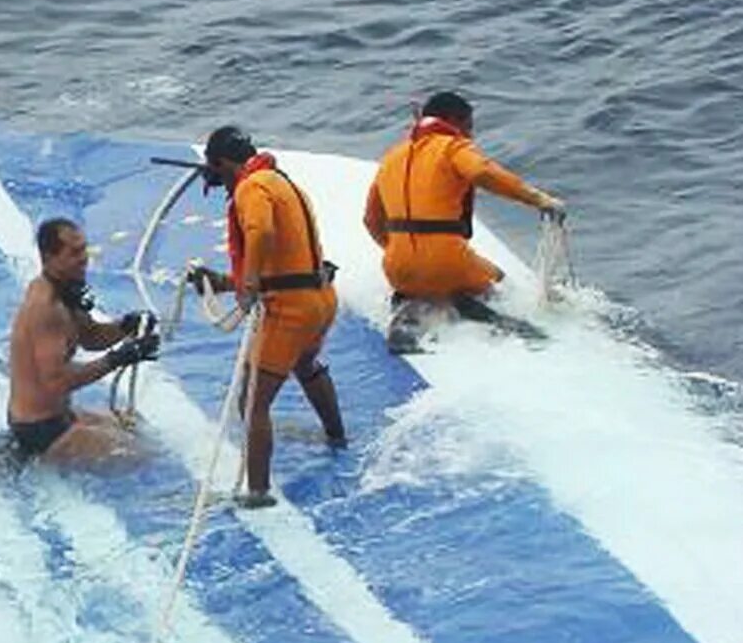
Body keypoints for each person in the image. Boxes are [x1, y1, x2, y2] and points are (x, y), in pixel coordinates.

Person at [203, 125, 348, 508]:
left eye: (218, 175)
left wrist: (248, 283)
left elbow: (262, 231)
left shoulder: (252, 188)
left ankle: (257, 492)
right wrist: (222, 281)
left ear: (225, 164)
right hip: (321, 299)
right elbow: (287, 258)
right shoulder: (283, 182)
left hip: (291, 310)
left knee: (252, 401)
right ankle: (337, 436)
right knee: (306, 364)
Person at [363, 90, 564, 348]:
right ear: (452, 121)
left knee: (425, 283)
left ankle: (412, 308)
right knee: (499, 281)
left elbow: (370, 220)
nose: (470, 135)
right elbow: (481, 170)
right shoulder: (453, 147)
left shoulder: (391, 158)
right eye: (468, 127)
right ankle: (473, 309)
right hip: (448, 263)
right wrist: (539, 199)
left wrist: (401, 252)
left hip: (396, 269)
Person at [4, 216, 159, 461]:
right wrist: (117, 359)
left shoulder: (65, 290)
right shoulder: (46, 308)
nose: (84, 259)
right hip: (41, 430)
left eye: (84, 250)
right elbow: (55, 382)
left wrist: (126, 326)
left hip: (60, 414)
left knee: (133, 425)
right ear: (49, 257)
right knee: (141, 456)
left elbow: (91, 337)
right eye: (74, 253)